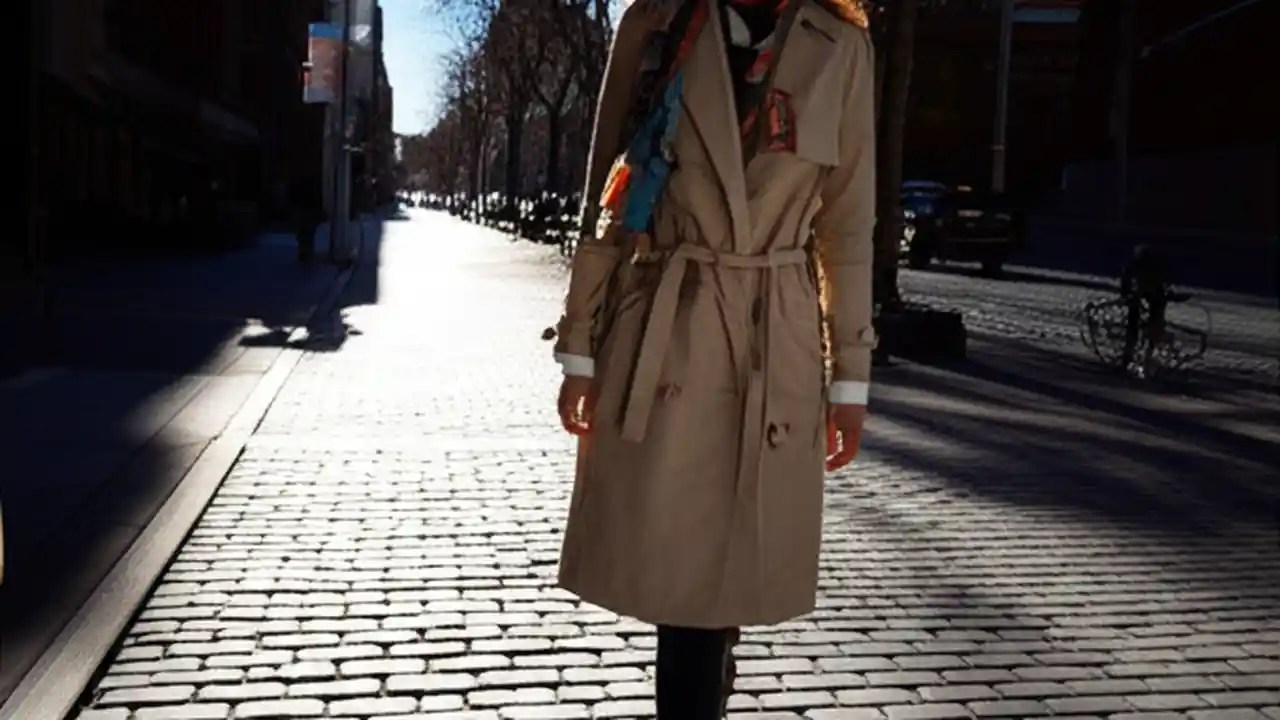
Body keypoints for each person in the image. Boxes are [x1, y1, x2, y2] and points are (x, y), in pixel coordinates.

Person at [548, 0, 876, 715]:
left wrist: (849, 375)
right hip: (673, 324)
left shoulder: (840, 45)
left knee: (724, 573)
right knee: (686, 590)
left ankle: (714, 655)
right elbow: (608, 190)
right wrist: (580, 344)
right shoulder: (658, 25)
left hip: (776, 332)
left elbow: (848, 226)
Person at [1120, 243, 1170, 374]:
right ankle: (1141, 357)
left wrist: (1126, 294)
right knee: (1148, 326)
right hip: (1148, 297)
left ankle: (1132, 357)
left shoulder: (1136, 265)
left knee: (1138, 327)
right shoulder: (1152, 265)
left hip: (1146, 297)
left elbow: (1126, 281)